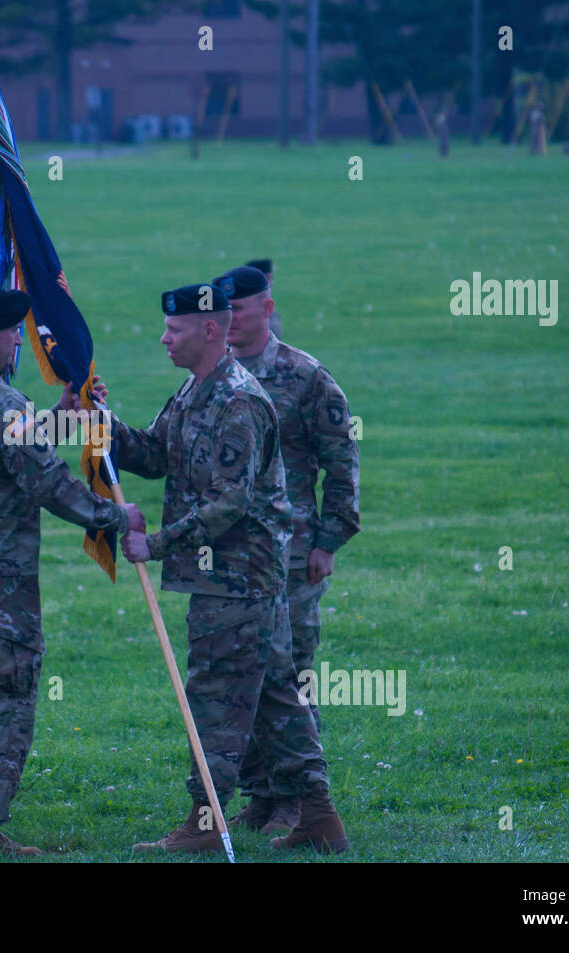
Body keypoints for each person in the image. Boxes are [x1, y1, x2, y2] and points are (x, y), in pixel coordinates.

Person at [100, 282, 347, 855]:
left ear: (209, 329)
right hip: (236, 579)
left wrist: (155, 543)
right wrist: (102, 420)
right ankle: (319, 816)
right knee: (275, 696)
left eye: (175, 330)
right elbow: (156, 455)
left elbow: (229, 502)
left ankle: (205, 824)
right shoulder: (194, 390)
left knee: (215, 696)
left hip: (237, 580)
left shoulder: (237, 399)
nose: (164, 338)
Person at [0, 286, 141, 858]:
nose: (19, 340)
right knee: (1, 697)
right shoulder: (2, 405)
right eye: (15, 332)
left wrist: (61, 418)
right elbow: (48, 484)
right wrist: (116, 514)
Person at [214, 265, 360, 834]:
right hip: (233, 559)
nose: (231, 323)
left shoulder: (304, 377)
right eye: (223, 315)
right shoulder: (215, 377)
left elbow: (341, 463)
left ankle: (303, 799)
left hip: (295, 557)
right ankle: (265, 794)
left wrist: (328, 540)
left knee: (290, 674)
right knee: (245, 675)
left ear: (266, 309)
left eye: (241, 312)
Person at [244, 258, 281, 338]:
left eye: (271, 278)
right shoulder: (246, 311)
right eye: (266, 278)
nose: (271, 283)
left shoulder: (271, 308)